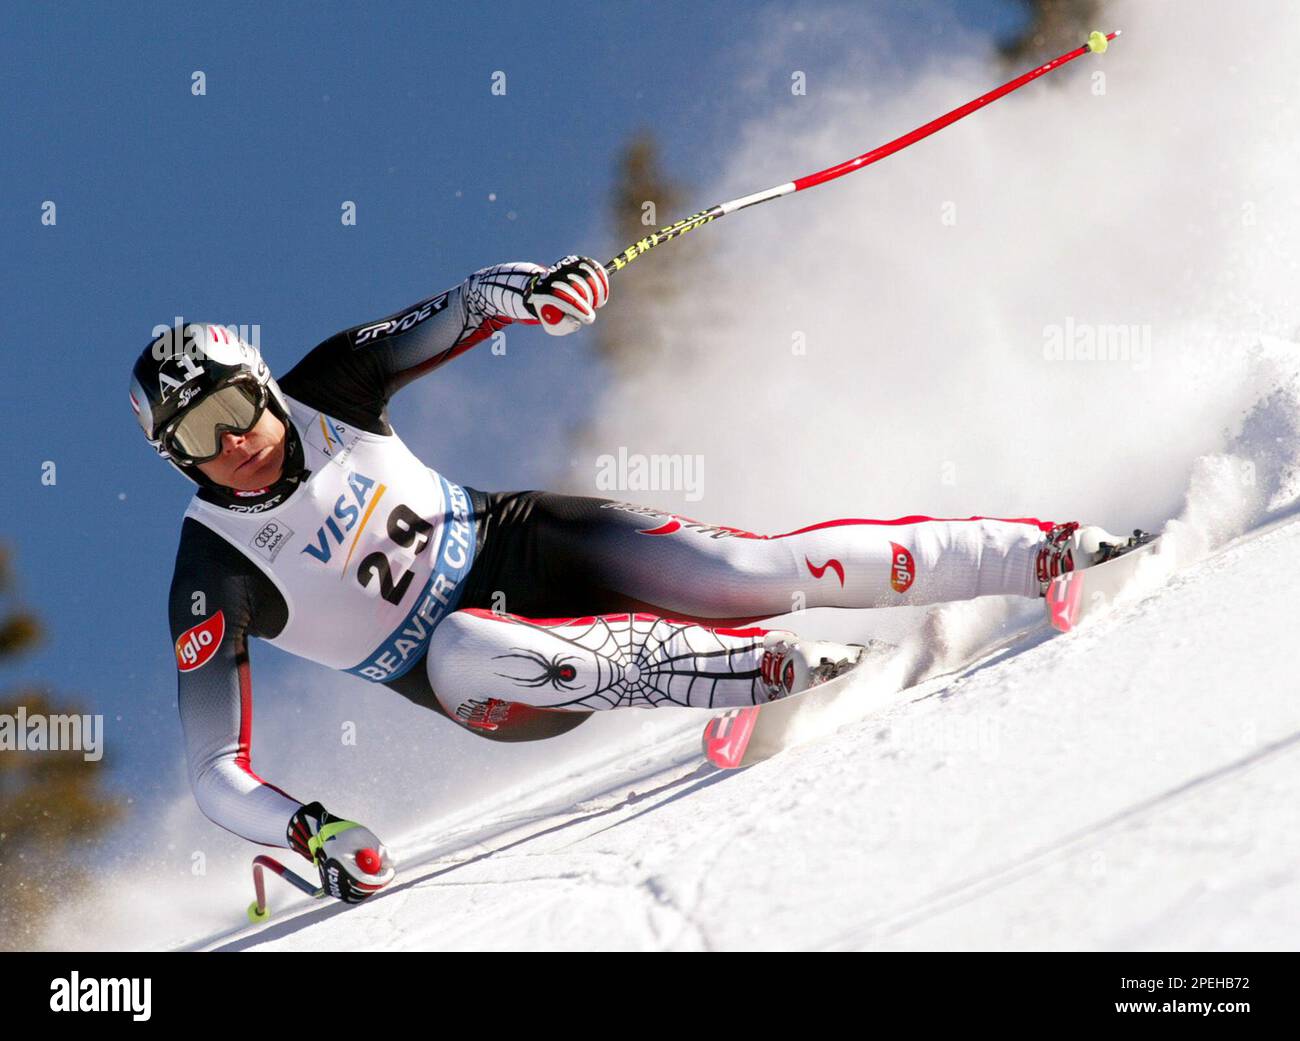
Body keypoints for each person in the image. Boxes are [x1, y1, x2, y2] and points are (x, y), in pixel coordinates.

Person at [131, 255, 1137, 904]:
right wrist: (313, 829)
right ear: (177, 462)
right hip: (481, 682)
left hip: (523, 540)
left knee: (744, 569)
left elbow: (464, 308)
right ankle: (759, 673)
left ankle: (1038, 550)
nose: (234, 447)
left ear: (262, 385)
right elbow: (215, 770)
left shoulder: (328, 389)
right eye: (196, 440)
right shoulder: (212, 569)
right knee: (470, 641)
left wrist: (537, 294)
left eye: (233, 409)